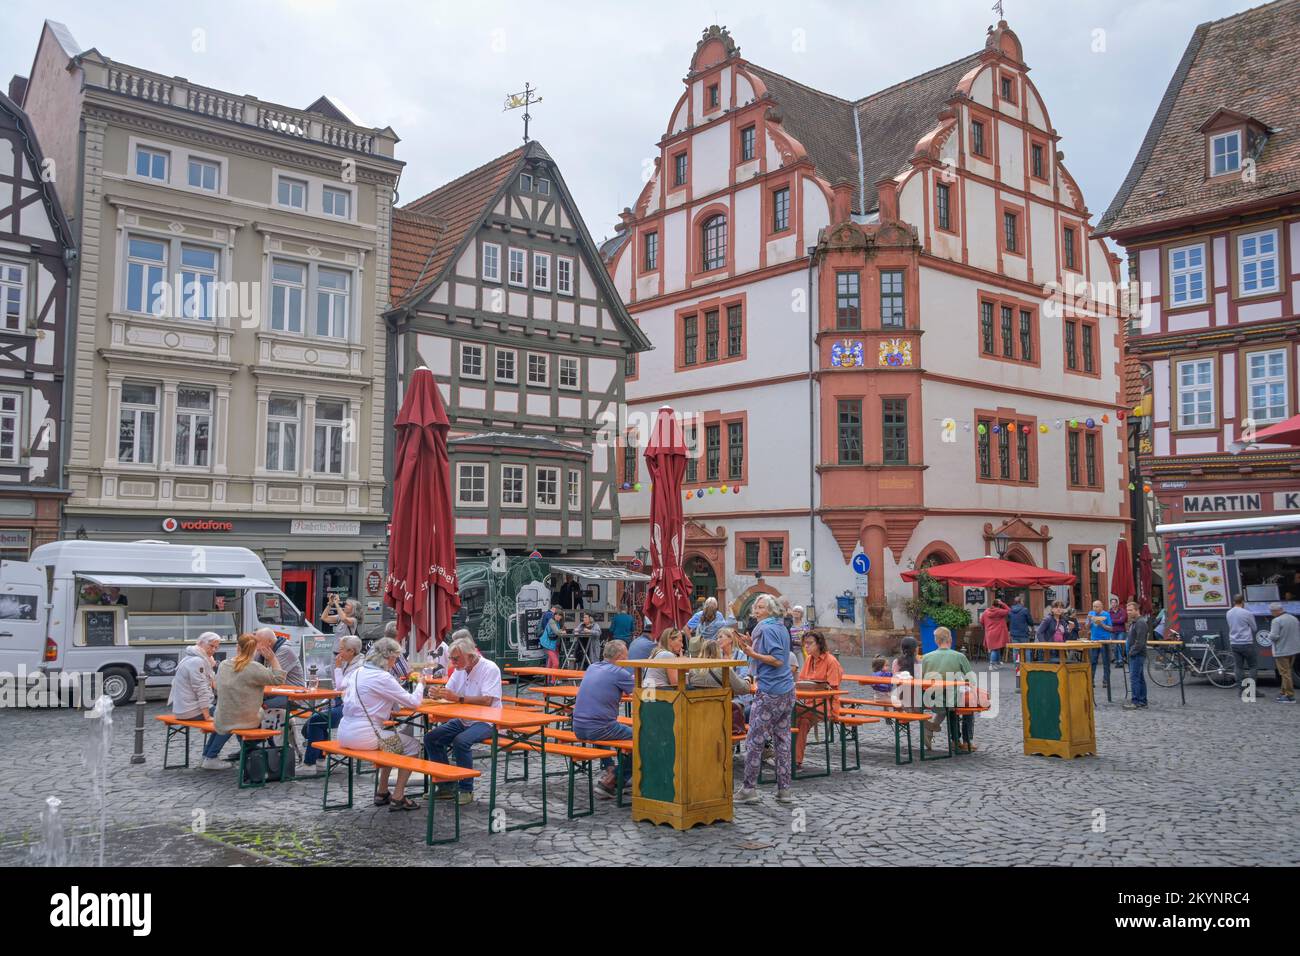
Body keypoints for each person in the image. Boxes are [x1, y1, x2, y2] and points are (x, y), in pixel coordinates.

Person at [336, 637, 425, 810]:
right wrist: (421, 684)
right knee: (413, 746)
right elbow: (413, 703)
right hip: (364, 736)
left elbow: (342, 686)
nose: (396, 662)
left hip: (344, 732)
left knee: (392, 742)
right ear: (388, 657)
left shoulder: (358, 672)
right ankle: (398, 796)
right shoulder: (383, 677)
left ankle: (382, 791)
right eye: (396, 658)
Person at [422, 634, 503, 804]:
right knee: (431, 738)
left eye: (456, 659)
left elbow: (487, 700)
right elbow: (449, 693)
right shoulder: (459, 670)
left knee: (461, 741)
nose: (453, 663)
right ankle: (446, 786)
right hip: (464, 719)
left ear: (470, 656)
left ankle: (466, 789)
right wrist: (437, 694)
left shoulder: (490, 668)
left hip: (488, 720)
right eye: (451, 658)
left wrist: (458, 698)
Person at [734, 594, 796, 805]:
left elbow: (777, 660)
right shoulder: (780, 627)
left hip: (770, 691)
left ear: (771, 610)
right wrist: (752, 645)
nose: (756, 611)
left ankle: (749, 789)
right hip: (787, 691)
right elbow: (777, 653)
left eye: (760, 607)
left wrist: (753, 653)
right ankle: (784, 790)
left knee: (754, 741)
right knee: (782, 741)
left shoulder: (765, 628)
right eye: (756, 607)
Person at [200, 632, 285, 769]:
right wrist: (273, 658)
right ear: (255, 649)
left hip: (222, 715)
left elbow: (215, 685)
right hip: (247, 719)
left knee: (227, 718)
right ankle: (250, 753)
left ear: (237, 647)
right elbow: (278, 679)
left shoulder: (224, 665)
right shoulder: (254, 668)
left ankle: (209, 755)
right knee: (260, 713)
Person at [573, 640, 636, 798]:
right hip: (599, 728)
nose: (628, 657)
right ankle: (613, 779)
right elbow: (641, 695)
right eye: (626, 654)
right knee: (643, 738)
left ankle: (610, 769)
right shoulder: (619, 672)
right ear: (620, 656)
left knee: (606, 726)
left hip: (578, 726)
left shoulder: (592, 667)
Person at [303, 634, 363, 769]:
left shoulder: (358, 666)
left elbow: (340, 685)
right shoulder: (350, 662)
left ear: (351, 651)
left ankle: (311, 762)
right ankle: (319, 759)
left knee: (316, 720)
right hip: (342, 703)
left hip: (351, 708)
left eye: (341, 649)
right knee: (318, 718)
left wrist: (337, 667)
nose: (338, 652)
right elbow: (338, 687)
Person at [920, 626, 976, 752]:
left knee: (952, 703)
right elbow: (970, 678)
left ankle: (954, 740)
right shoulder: (959, 656)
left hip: (931, 697)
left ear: (936, 641)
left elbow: (921, 679)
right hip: (952, 697)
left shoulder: (926, 657)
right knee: (967, 705)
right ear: (950, 639)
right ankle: (967, 741)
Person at [793, 631, 842, 769]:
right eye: (805, 643)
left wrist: (816, 688)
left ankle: (790, 758)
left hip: (825, 706)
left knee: (793, 713)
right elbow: (801, 681)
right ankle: (794, 760)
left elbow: (833, 689)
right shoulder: (809, 660)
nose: (806, 646)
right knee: (800, 720)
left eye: (809, 643)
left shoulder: (831, 661)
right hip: (809, 704)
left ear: (819, 644)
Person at [169, 632, 221, 722]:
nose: (213, 650)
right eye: (211, 646)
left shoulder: (191, 657)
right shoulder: (197, 661)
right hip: (191, 711)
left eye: (216, 647)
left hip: (182, 709)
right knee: (231, 719)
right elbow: (201, 689)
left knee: (227, 721)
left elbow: (212, 685)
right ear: (201, 643)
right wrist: (207, 716)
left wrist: (210, 666)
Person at [1266, 602, 1299, 703]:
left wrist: (1268, 636)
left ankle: (1289, 696)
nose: (1271, 613)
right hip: (1293, 650)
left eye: (1272, 611)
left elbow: (1274, 636)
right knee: (1287, 672)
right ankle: (1283, 692)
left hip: (1282, 650)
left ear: (1276, 611)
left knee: (1285, 673)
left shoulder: (1276, 620)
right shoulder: (1294, 618)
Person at [1226, 594, 1259, 691]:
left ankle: (1241, 689)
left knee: (1238, 667)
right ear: (1243, 602)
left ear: (1233, 602)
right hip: (1246, 642)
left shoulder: (1228, 613)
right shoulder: (1247, 613)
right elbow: (1254, 628)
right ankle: (1251, 690)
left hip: (1234, 643)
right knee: (1252, 666)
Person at [717, 628, 754, 716]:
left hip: (739, 696)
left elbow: (743, 676)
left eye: (721, 637)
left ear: (730, 639)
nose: (718, 640)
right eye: (717, 638)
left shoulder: (740, 655)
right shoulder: (718, 655)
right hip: (723, 695)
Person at [1122, 601, 1149, 711]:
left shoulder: (1140, 622)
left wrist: (1131, 652)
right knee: (1140, 678)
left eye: (1130, 610)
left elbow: (1140, 641)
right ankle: (1142, 701)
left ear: (1137, 610)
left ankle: (1136, 701)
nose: (1128, 612)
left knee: (1135, 678)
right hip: (1135, 654)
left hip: (1137, 655)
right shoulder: (1135, 622)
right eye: (1127, 610)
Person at [1085, 599, 1113, 684]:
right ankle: (1091, 680)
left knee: (1106, 661)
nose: (1094, 608)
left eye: (1096, 606)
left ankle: (1106, 680)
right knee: (1093, 661)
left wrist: (1101, 624)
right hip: (1094, 640)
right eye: (1093, 606)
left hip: (1104, 640)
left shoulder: (1106, 614)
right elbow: (1087, 627)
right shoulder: (1091, 614)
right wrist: (1090, 620)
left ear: (1101, 607)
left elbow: (1111, 628)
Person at [980, 598, 1010, 669]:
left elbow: (981, 621)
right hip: (998, 633)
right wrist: (1003, 603)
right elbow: (1009, 611)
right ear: (999, 605)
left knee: (996, 648)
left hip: (989, 633)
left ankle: (997, 663)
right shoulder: (999, 611)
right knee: (995, 649)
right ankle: (991, 664)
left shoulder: (985, 611)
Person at [1007, 595, 1034, 668]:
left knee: (1015, 651)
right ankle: (1027, 666)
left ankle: (1017, 667)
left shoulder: (1010, 611)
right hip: (1024, 633)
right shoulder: (1025, 610)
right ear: (1021, 602)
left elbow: (1009, 620)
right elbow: (1030, 622)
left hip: (1014, 634)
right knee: (1026, 650)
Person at [539, 604, 562, 672]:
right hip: (548, 643)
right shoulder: (551, 618)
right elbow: (556, 631)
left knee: (550, 662)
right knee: (555, 663)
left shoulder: (555, 620)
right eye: (556, 614)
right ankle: (552, 680)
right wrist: (561, 632)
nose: (558, 616)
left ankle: (549, 680)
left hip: (550, 643)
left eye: (560, 615)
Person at [1108, 597, 1129, 667]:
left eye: (1114, 602)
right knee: (1115, 646)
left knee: (1119, 645)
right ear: (1110, 604)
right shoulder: (1109, 612)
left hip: (1121, 631)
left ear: (1117, 603)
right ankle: (1117, 660)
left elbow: (1123, 620)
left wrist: (1114, 620)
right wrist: (1118, 620)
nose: (1113, 604)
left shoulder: (1122, 610)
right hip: (1113, 631)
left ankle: (1120, 661)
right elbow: (1109, 622)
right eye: (1112, 603)